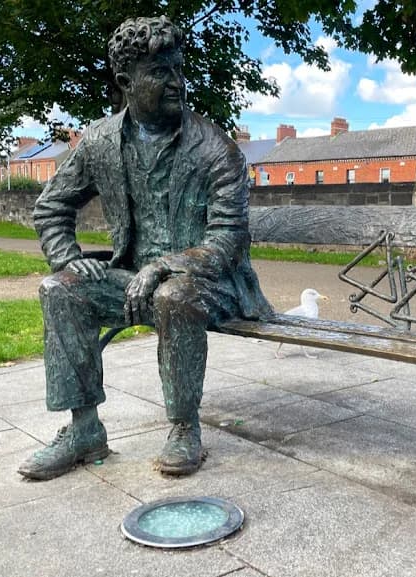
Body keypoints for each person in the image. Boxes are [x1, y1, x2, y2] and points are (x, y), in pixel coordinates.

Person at [18, 16, 271, 481]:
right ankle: (84, 430)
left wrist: (167, 266)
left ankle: (183, 427)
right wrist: (67, 257)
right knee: (60, 289)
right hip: (131, 279)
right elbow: (52, 208)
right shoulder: (98, 142)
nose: (176, 82)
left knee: (173, 295)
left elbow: (228, 240)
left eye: (178, 69)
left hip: (211, 284)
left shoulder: (215, 148)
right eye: (159, 72)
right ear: (125, 83)